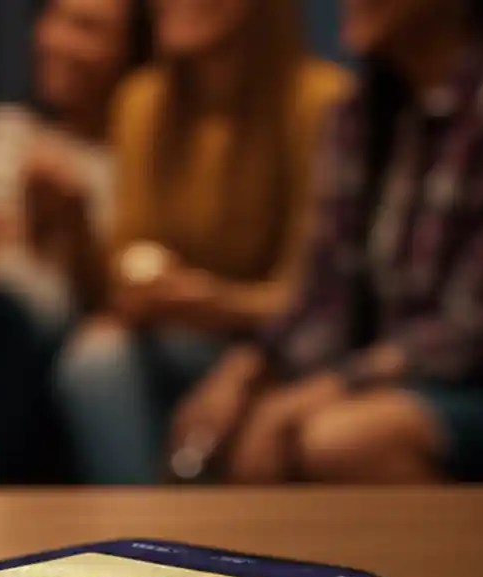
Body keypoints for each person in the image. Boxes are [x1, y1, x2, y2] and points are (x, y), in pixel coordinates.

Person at [172, 0, 483, 484]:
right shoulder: (359, 110)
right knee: (227, 421)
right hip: (401, 373)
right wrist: (248, 369)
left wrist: (339, 384)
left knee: (339, 439)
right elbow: (326, 291)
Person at [54, 0, 351, 483]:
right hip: (174, 335)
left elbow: (312, 295)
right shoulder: (142, 100)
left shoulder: (322, 101)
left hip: (279, 343)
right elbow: (126, 258)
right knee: (94, 361)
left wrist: (212, 303)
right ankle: (144, 540)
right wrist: (116, 266)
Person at [0, 0, 152, 333]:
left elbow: (132, 298)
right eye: (53, 17)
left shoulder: (145, 159)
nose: (58, 40)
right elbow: (5, 283)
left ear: (129, 50)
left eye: (86, 29)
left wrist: (77, 226)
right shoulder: (5, 133)